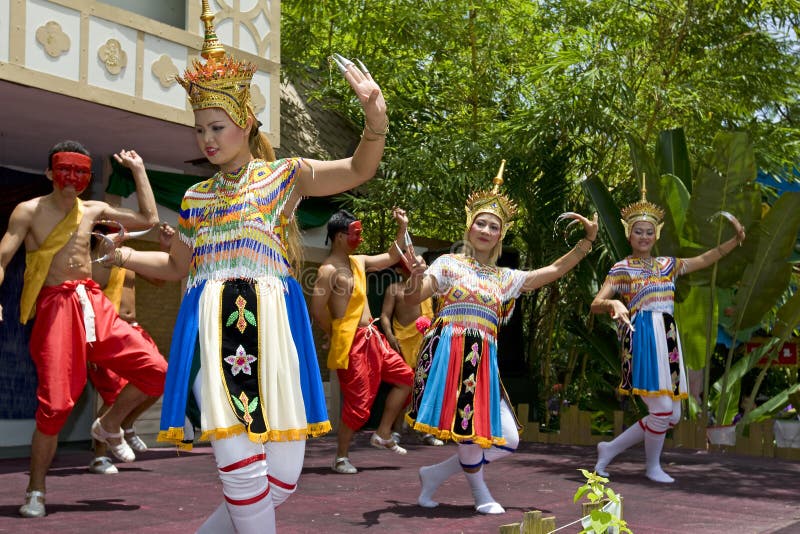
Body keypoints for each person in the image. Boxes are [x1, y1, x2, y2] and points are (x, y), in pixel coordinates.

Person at [102, 5, 388, 532]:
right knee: (240, 472)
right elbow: (174, 265)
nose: (206, 139)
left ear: (246, 122)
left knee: (282, 476)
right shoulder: (194, 196)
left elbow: (357, 169)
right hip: (218, 326)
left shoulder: (284, 177)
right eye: (199, 130)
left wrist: (375, 122)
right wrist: (117, 254)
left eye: (217, 126)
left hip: (274, 328)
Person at [404, 160, 598, 514]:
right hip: (452, 355)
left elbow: (551, 271)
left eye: (493, 226)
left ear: (500, 235)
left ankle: (434, 475)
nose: (486, 229)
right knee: (468, 430)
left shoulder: (504, 278)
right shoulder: (448, 264)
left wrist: (585, 243)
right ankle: (480, 495)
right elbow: (415, 297)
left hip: (482, 365)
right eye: (481, 222)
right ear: (469, 225)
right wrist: (416, 276)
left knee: (508, 438)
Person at [0, 140, 167, 518]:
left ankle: (108, 425)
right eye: (65, 170)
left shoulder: (93, 209)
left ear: (88, 178)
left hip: (94, 304)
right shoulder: (28, 211)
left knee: (156, 371)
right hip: (57, 308)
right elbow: (4, 256)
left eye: (80, 172)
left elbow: (148, 219)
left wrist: (139, 170)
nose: (72, 179)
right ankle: (36, 490)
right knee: (55, 406)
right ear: (49, 173)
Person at [590, 185, 745, 483]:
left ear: (656, 234)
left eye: (649, 231)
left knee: (671, 415)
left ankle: (610, 449)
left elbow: (703, 260)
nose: (644, 236)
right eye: (639, 231)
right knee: (661, 409)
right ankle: (650, 466)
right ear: (628, 234)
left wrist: (733, 242)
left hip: (669, 337)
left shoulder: (668, 265)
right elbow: (596, 303)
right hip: (643, 335)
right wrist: (612, 303)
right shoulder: (621, 268)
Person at [311, 208, 415, 474]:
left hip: (373, 338)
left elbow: (393, 256)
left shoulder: (358, 262)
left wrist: (402, 227)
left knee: (406, 379)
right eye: (354, 233)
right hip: (352, 343)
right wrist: (334, 331)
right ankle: (341, 458)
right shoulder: (327, 270)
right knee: (358, 404)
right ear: (338, 237)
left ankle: (382, 432)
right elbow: (317, 308)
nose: (358, 238)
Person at [87, 222, 174, 474]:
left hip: (133, 329)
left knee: (158, 379)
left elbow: (159, 279)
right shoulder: (97, 260)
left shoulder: (128, 255)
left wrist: (165, 247)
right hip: (108, 331)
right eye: (113, 230)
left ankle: (126, 424)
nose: (121, 232)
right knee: (113, 395)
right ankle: (100, 457)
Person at [379, 261, 443, 446]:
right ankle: (397, 429)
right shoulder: (394, 289)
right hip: (403, 342)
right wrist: (389, 335)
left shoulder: (428, 288)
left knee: (426, 387)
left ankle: (425, 431)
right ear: (399, 269)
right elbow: (385, 315)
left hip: (426, 340)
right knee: (405, 386)